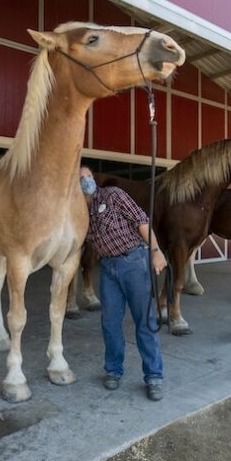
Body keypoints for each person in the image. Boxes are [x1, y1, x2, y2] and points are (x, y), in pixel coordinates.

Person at [79, 166, 168, 401]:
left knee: (145, 322)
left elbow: (142, 221)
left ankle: (154, 376)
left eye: (88, 176)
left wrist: (156, 251)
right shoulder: (81, 212)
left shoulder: (113, 195)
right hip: (108, 268)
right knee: (109, 322)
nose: (85, 181)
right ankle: (113, 370)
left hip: (134, 262)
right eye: (80, 178)